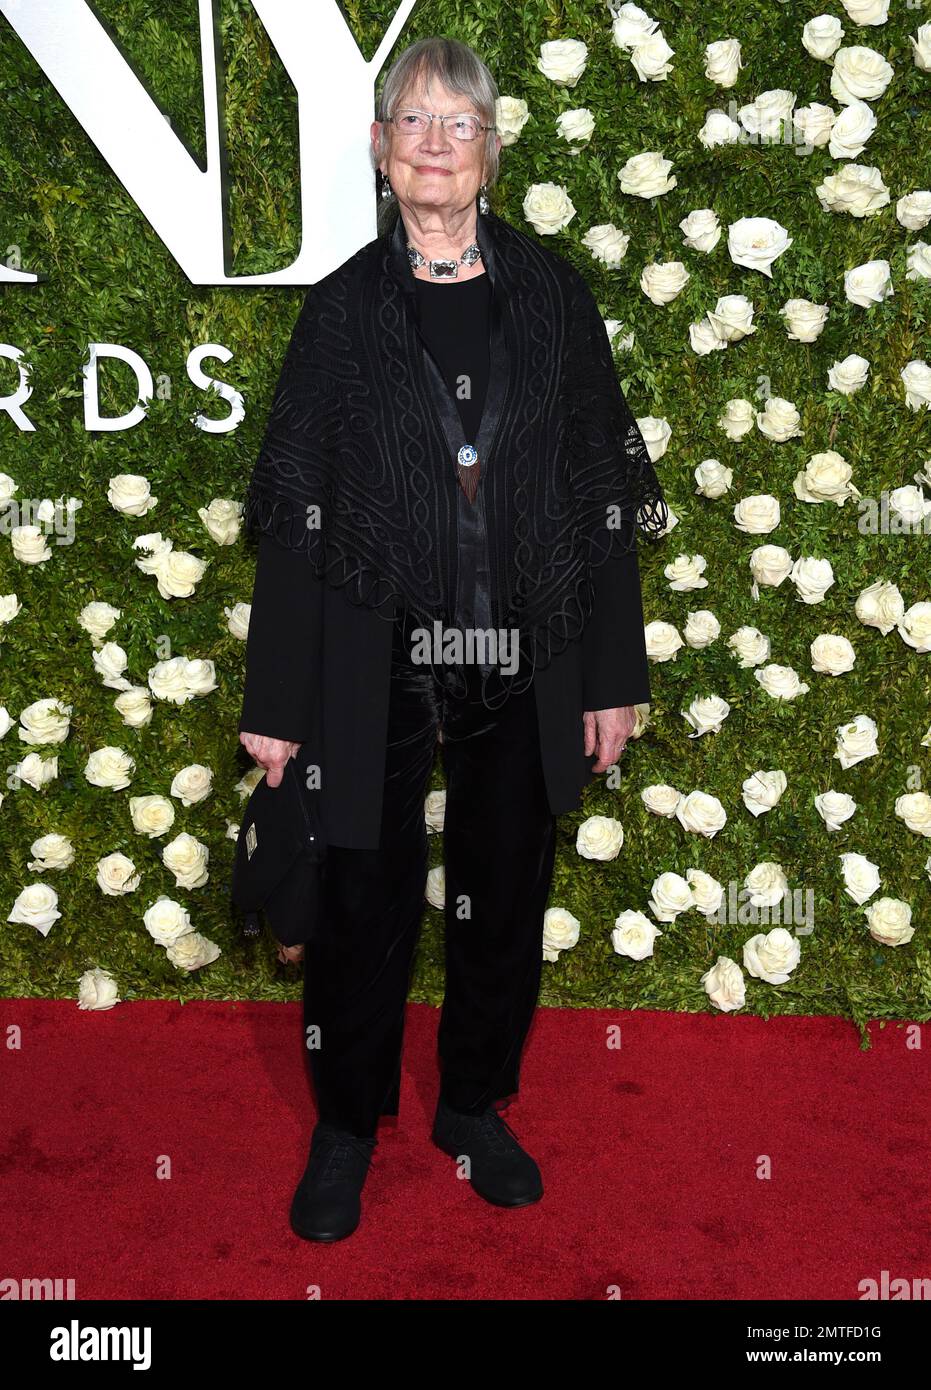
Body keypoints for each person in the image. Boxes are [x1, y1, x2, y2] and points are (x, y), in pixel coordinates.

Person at [238, 36, 668, 1242]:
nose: (434, 140)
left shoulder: (552, 295)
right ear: (380, 150)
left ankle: (473, 1105)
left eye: (458, 122)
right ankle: (344, 1124)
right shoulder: (340, 314)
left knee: (503, 890)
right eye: (412, 120)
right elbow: (294, 521)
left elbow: (600, 498)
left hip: (524, 653)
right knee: (361, 892)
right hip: (372, 654)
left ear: (490, 153)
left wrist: (613, 676)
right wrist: (276, 702)